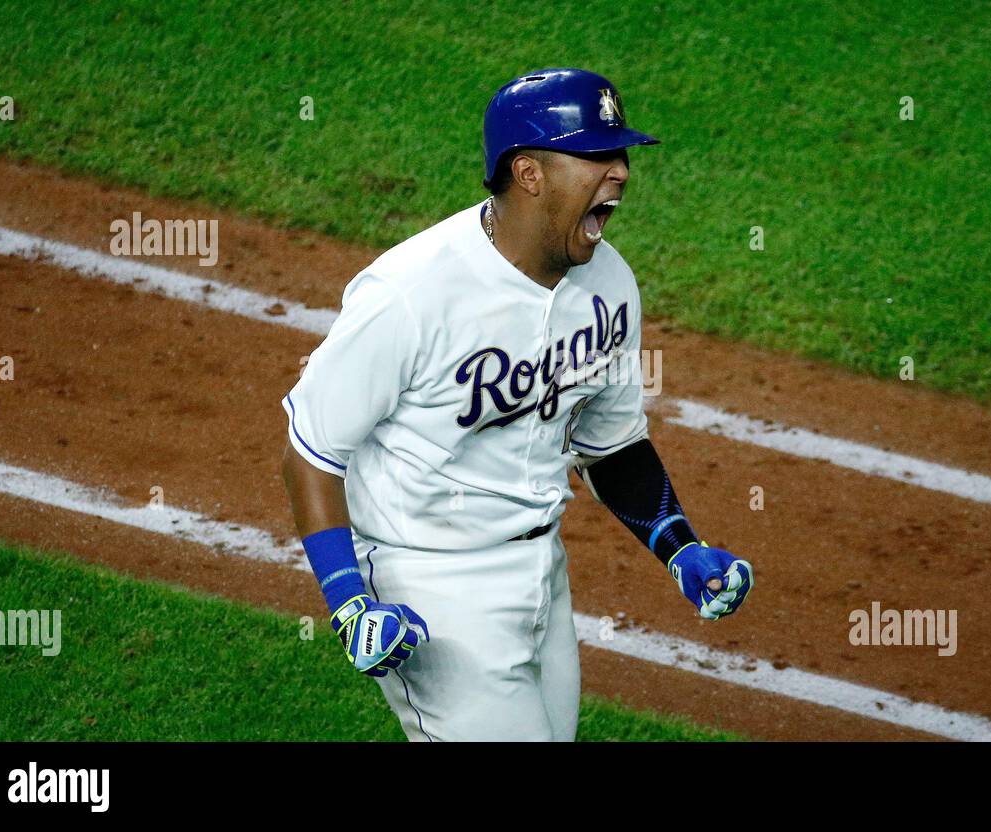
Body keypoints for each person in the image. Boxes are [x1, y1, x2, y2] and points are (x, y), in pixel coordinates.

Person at [281, 68, 753, 741]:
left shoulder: (610, 284)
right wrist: (350, 605)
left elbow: (611, 445)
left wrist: (680, 547)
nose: (618, 172)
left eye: (618, 154)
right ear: (528, 173)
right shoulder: (411, 294)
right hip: (432, 588)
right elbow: (310, 453)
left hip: (543, 575)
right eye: (595, 155)